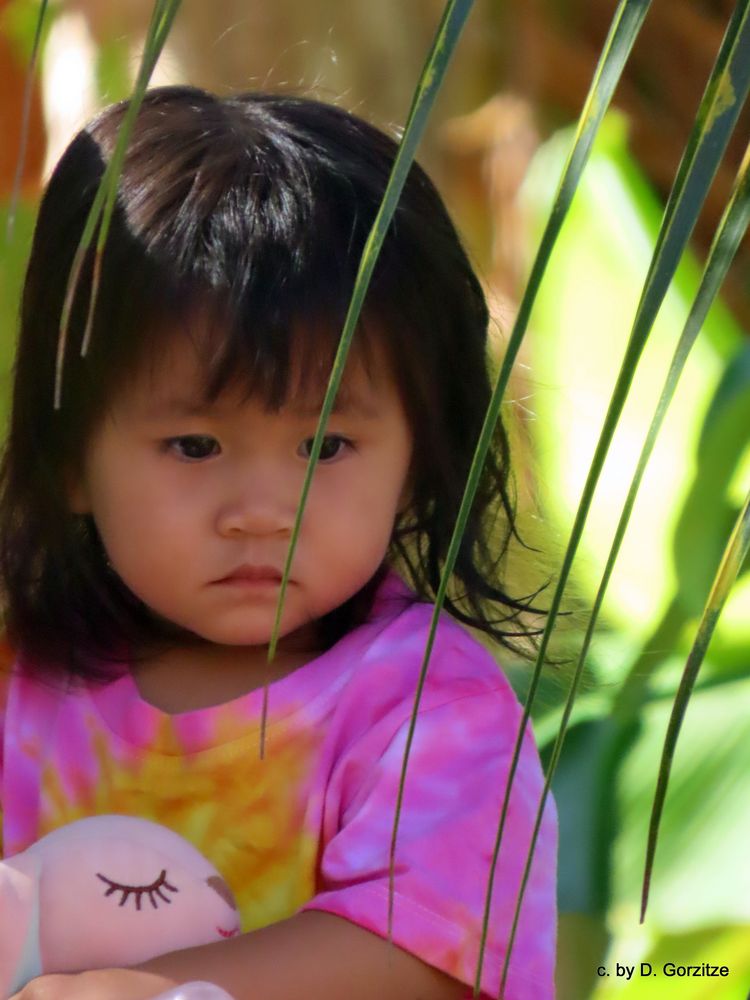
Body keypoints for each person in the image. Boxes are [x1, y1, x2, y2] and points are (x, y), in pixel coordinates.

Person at [0, 87, 557, 999]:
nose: (264, 513)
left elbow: (423, 958)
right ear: (70, 458)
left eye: (325, 447)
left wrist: (142, 988)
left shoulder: (429, 708)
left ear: (418, 460)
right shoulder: (24, 677)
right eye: (195, 446)